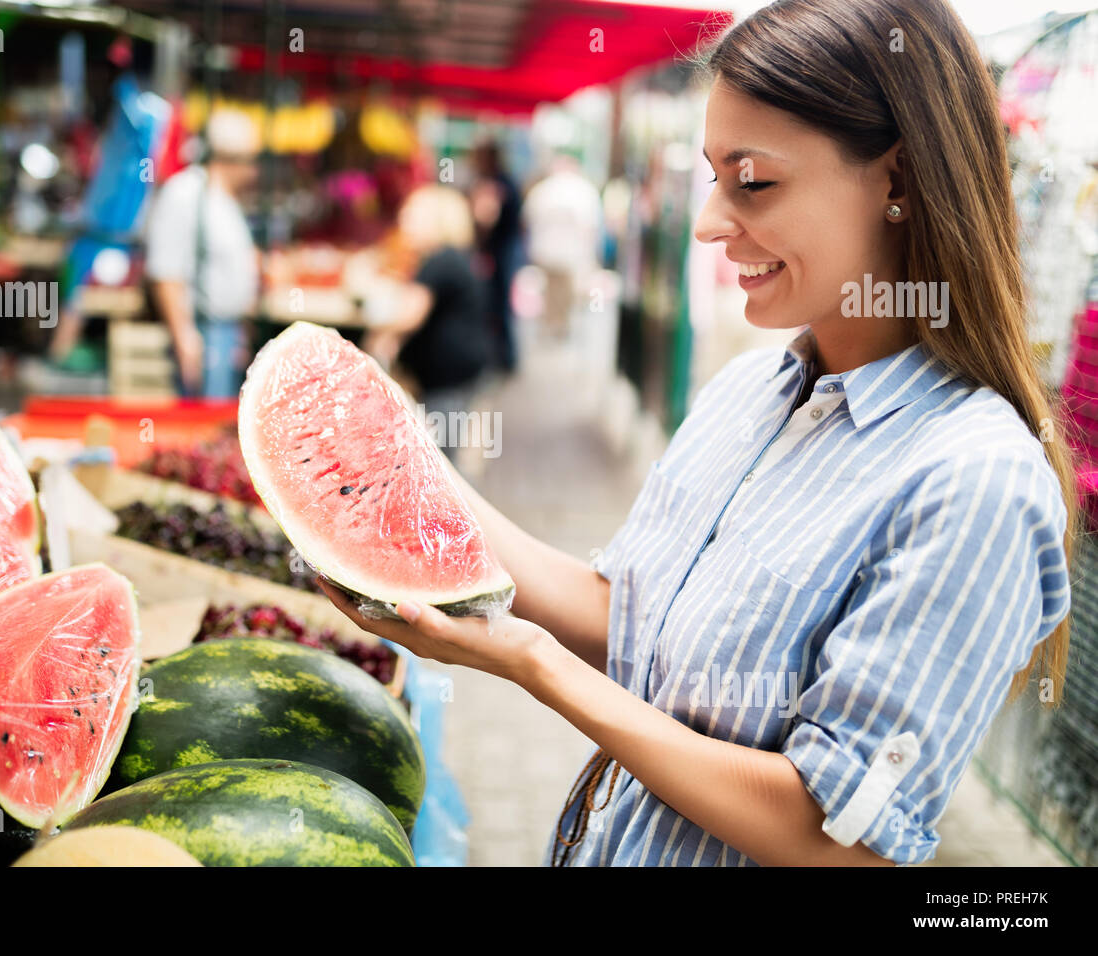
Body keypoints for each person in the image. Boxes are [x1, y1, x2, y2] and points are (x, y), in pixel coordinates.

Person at [321, 0, 1076, 867]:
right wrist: (401, 466)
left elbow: (841, 842)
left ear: (897, 183)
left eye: (752, 182)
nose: (713, 223)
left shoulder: (975, 478)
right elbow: (632, 614)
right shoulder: (751, 389)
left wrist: (532, 664)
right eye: (712, 178)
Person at [364, 185, 489, 464]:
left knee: (440, 461)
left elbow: (410, 315)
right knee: (441, 453)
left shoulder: (440, 260)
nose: (403, 222)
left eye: (412, 216)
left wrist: (376, 335)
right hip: (454, 376)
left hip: (448, 380)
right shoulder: (448, 257)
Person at [146, 109, 260, 398]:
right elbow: (166, 271)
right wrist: (184, 337)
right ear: (230, 159)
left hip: (226, 334)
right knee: (203, 427)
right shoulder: (186, 193)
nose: (254, 172)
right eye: (251, 162)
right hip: (203, 332)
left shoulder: (225, 200)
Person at [521, 149, 603, 341]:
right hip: (570, 253)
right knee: (563, 291)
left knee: (553, 290)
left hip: (547, 251)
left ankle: (554, 324)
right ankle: (558, 325)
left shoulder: (543, 190)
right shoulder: (583, 190)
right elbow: (591, 226)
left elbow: (527, 221)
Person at [470, 139, 524, 372]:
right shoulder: (504, 181)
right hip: (506, 249)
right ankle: (504, 356)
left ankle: (504, 358)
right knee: (499, 304)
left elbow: (486, 218)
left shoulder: (497, 184)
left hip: (503, 251)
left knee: (499, 304)